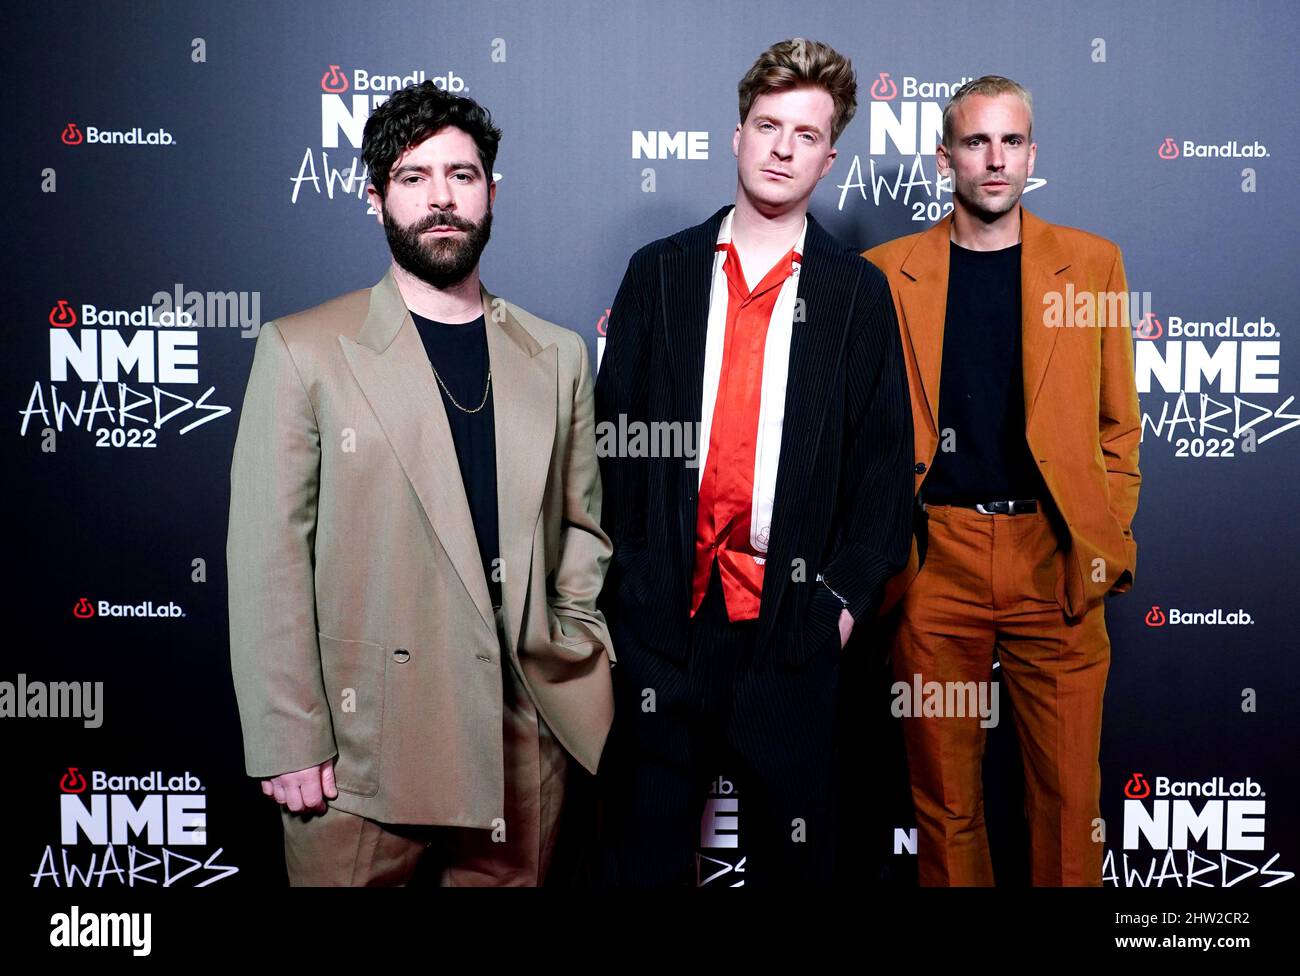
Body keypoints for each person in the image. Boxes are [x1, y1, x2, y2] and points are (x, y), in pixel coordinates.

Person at [227, 82, 614, 886]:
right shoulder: (303, 350)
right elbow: (268, 562)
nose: (441, 198)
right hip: (361, 748)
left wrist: (573, 644)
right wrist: (290, 737)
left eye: (462, 176)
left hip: (520, 737)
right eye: (413, 178)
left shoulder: (557, 353)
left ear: (492, 192)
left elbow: (581, 529)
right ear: (375, 200)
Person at [595, 38, 913, 887]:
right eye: (768, 126)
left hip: (793, 631)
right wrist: (628, 586)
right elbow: (609, 446)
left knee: (799, 873)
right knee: (643, 865)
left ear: (829, 157)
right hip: (665, 627)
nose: (782, 147)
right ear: (736, 135)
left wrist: (840, 607)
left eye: (805, 135)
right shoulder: (658, 274)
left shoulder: (857, 295)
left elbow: (886, 473)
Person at [864, 75, 1142, 886]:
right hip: (934, 562)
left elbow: (1117, 426)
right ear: (944, 154)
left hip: (1054, 554)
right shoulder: (885, 272)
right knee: (945, 806)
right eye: (976, 142)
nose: (994, 160)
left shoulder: (1091, 265)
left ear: (1032, 155)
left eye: (1010, 142)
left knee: (1067, 802)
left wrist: (1103, 538)